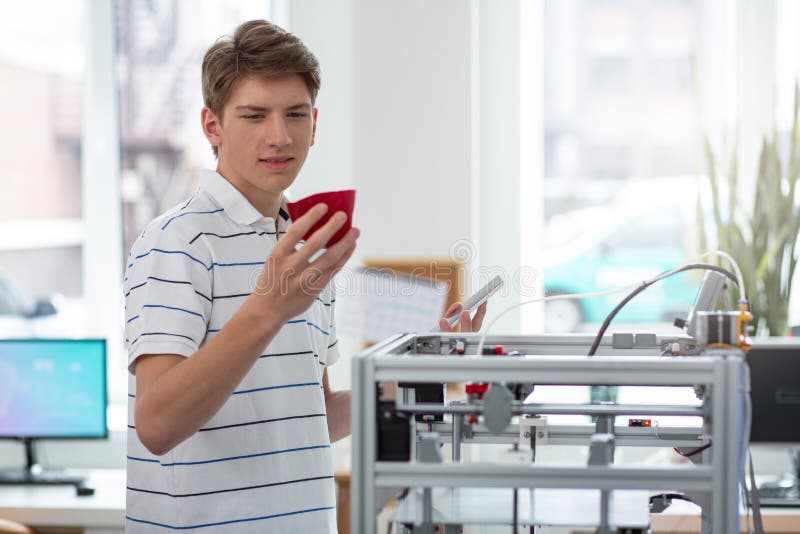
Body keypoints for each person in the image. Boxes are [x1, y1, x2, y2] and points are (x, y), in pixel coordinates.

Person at [123, 19, 485, 533]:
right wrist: (267, 311)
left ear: (314, 123)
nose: (280, 135)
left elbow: (310, 417)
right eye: (255, 115)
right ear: (213, 127)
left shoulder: (300, 242)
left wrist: (427, 375)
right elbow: (157, 426)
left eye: (295, 114)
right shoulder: (176, 242)